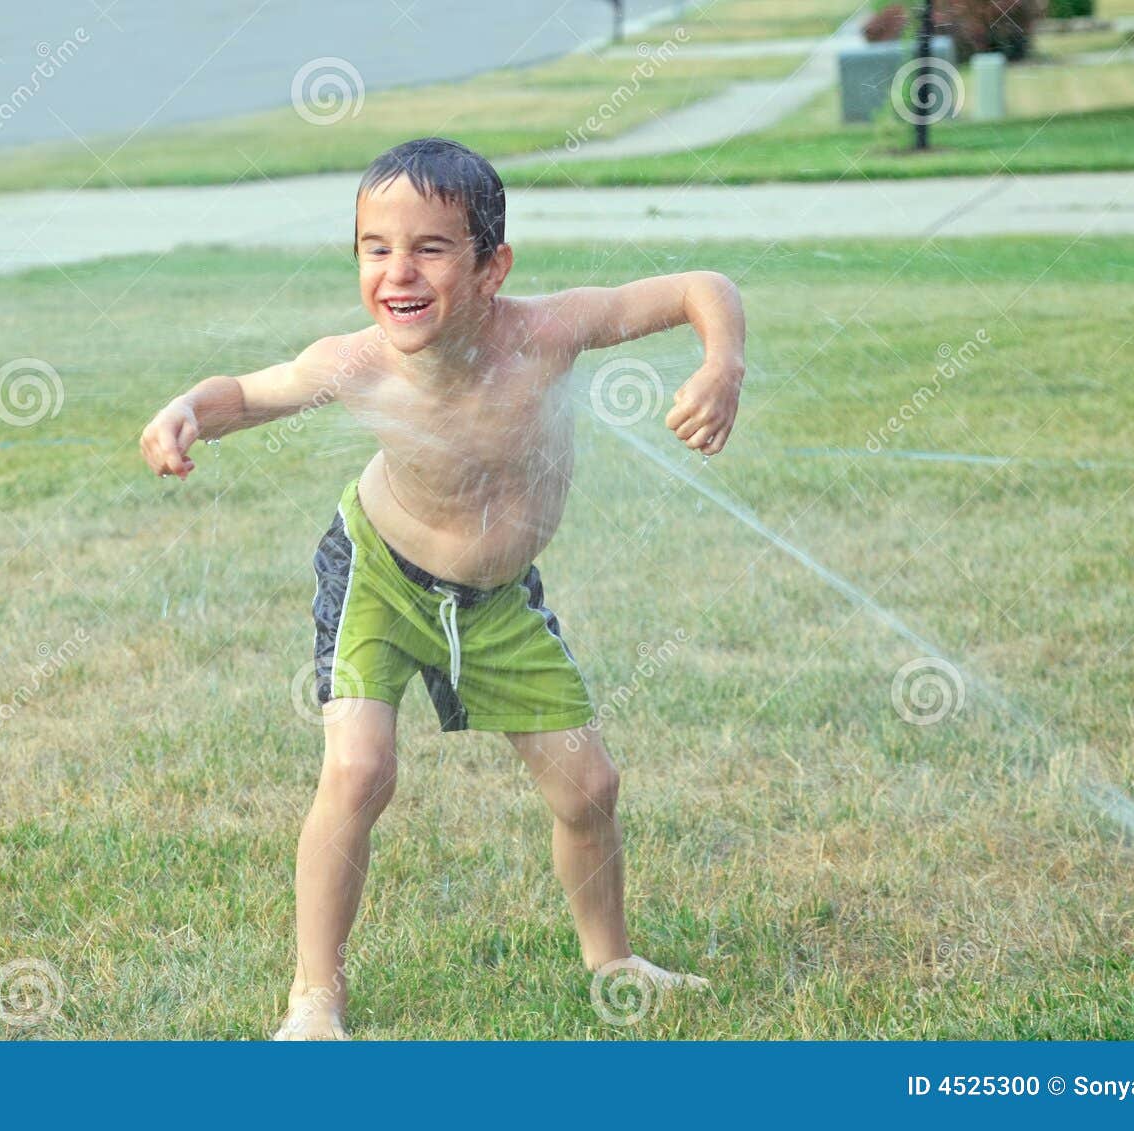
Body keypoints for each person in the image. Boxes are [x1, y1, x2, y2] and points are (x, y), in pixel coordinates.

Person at [139, 137, 745, 1039]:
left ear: (493, 265)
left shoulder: (547, 331)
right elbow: (253, 393)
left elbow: (703, 287)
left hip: (497, 602)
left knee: (589, 787)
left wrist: (721, 363)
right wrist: (186, 409)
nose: (398, 271)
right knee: (358, 767)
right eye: (375, 248)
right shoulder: (361, 362)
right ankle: (314, 999)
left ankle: (615, 961)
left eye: (430, 247)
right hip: (378, 575)